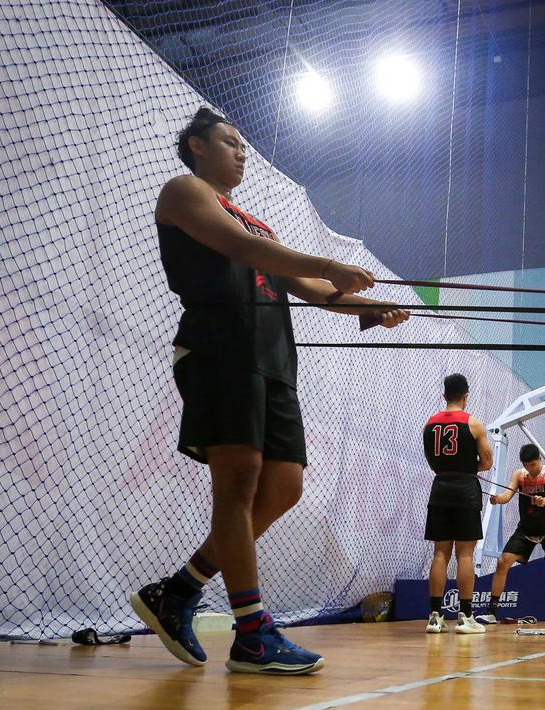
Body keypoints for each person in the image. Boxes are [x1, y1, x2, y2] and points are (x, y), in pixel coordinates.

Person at [131, 107, 409, 675]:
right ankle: (252, 633)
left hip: (274, 364)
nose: (240, 153)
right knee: (238, 484)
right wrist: (332, 264)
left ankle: (178, 591)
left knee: (283, 487)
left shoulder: (260, 224)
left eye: (242, 145)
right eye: (228, 142)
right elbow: (245, 251)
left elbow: (310, 289)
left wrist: (370, 306)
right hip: (219, 352)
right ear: (196, 146)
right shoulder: (184, 192)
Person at [476, 445, 545, 625]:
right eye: (527, 465)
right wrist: (498, 499)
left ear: (539, 459)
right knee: (503, 562)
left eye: (533, 464)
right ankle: (491, 611)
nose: (531, 469)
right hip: (526, 530)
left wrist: (543, 500)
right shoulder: (519, 475)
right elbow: (508, 494)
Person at [424, 373, 493, 635]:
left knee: (440, 553)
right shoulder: (474, 424)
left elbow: (433, 462)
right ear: (466, 396)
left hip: (440, 488)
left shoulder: (429, 424)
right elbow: (486, 462)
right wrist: (467, 467)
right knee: (465, 554)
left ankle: (434, 617)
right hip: (465, 489)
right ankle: (465, 617)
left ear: (444, 396)